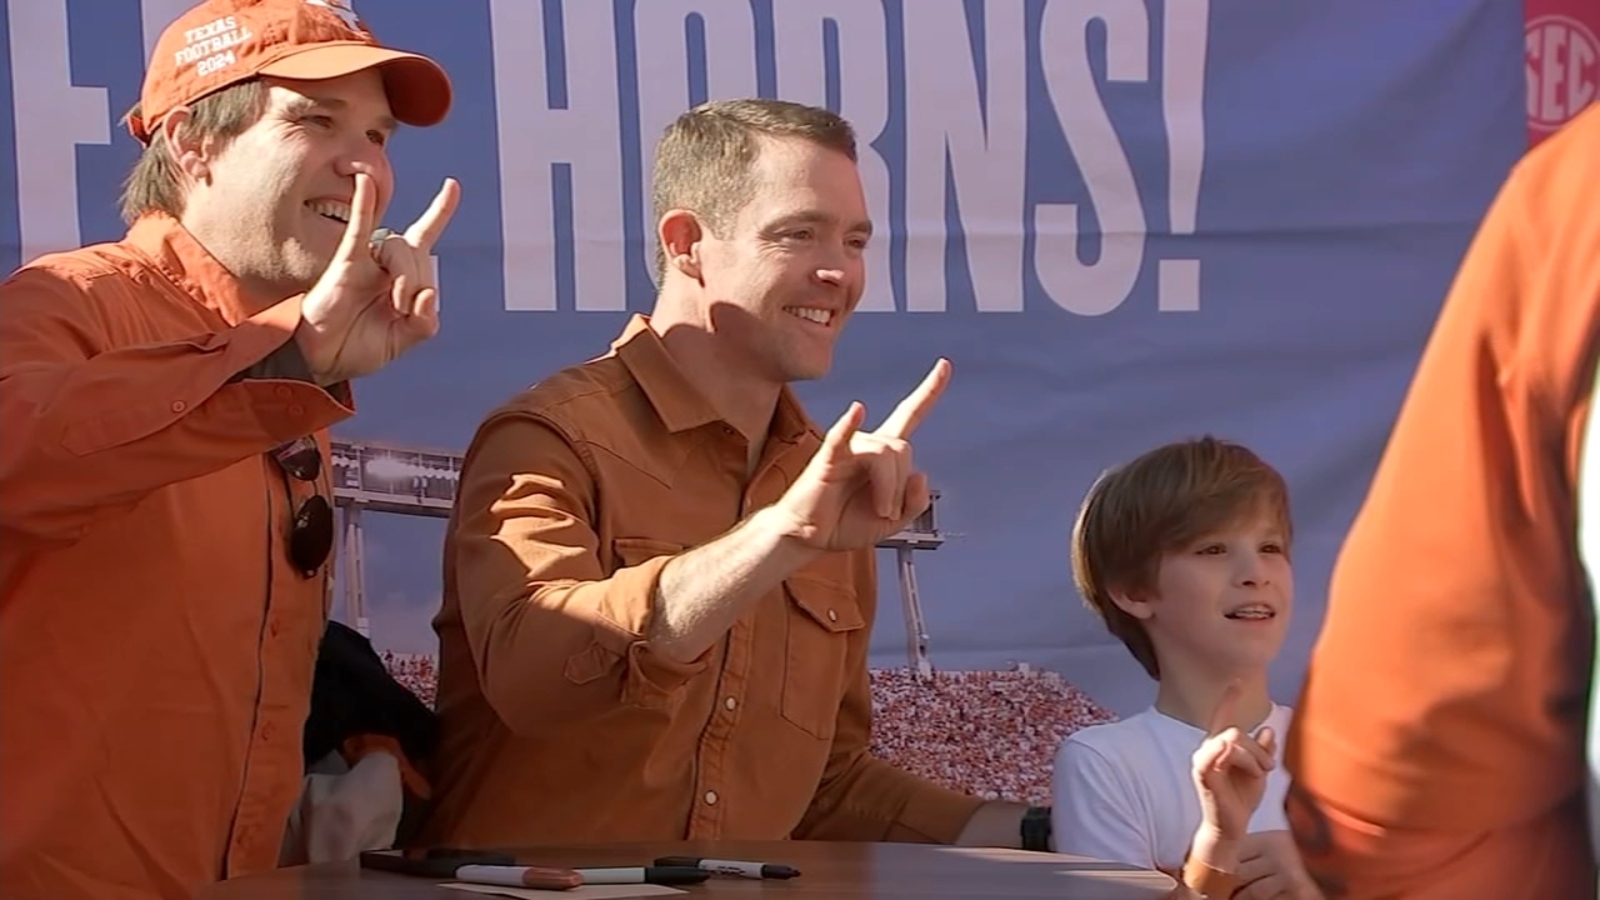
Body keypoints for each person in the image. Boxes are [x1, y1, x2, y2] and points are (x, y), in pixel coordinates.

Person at [423, 98, 1035, 850]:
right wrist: (775, 538)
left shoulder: (825, 484)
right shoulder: (553, 438)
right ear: (687, 244)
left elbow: (827, 786)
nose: (838, 271)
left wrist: (1046, 834)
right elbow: (534, 678)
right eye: (797, 234)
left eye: (855, 240)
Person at [0, 1, 458, 898]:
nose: (364, 162)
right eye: (315, 121)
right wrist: (292, 354)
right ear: (190, 146)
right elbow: (23, 453)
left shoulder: (293, 363)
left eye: (377, 133)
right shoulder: (64, 303)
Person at [1284, 103, 1600, 898]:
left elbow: (1410, 784)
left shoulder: (1578, 200)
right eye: (1212, 549)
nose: (1252, 575)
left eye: (1259, 545)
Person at [1053, 437, 1322, 899]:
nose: (1255, 573)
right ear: (1134, 591)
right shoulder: (1106, 763)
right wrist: (1216, 851)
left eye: (1271, 547)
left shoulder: (1346, 757)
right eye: (1213, 550)